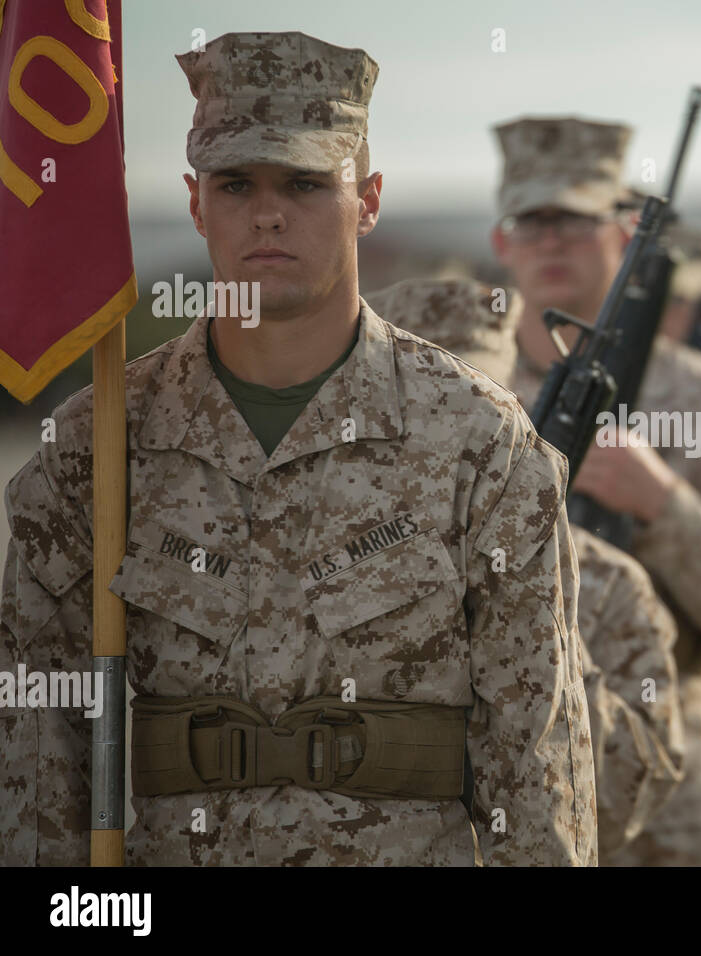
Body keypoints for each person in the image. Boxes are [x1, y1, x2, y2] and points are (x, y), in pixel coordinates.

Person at [0, 31, 595, 867]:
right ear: (196, 202)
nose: (268, 213)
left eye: (307, 183)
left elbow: (537, 759)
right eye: (236, 183)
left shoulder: (479, 440)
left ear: (369, 199)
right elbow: (37, 744)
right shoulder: (98, 445)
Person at [490, 115, 701, 864]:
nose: (551, 241)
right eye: (529, 221)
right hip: (502, 801)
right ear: (502, 243)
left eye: (574, 218)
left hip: (675, 801)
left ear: (627, 232)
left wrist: (664, 503)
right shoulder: (460, 397)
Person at [364, 276, 688, 856]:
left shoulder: (609, 584)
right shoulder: (334, 571)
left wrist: (542, 623)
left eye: (475, 408)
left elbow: (625, 800)